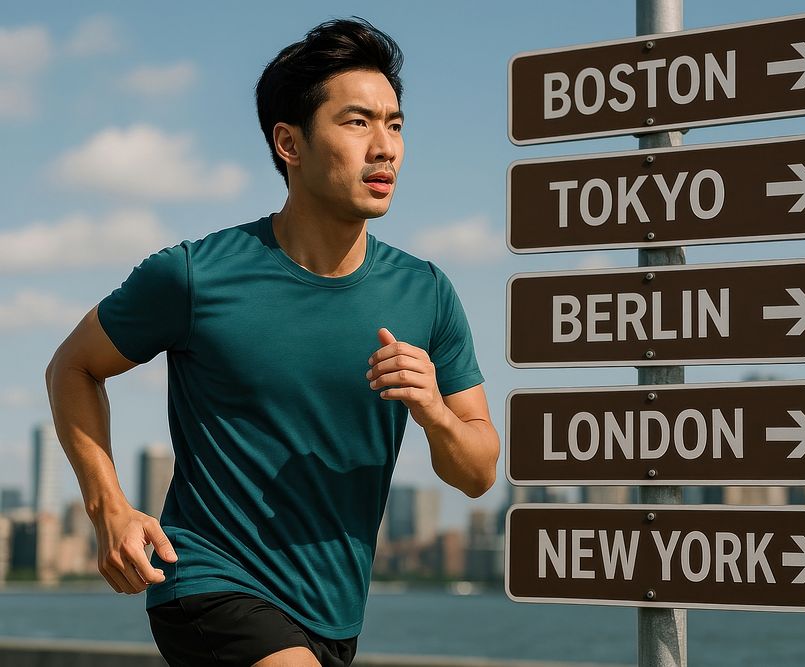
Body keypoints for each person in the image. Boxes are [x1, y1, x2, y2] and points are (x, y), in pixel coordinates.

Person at [44, 17, 499, 667]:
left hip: (334, 610)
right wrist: (108, 507)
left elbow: (478, 470)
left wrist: (433, 412)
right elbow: (73, 366)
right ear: (289, 142)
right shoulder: (196, 274)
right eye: (357, 122)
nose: (386, 148)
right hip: (209, 581)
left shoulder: (426, 293)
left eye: (395, 124)